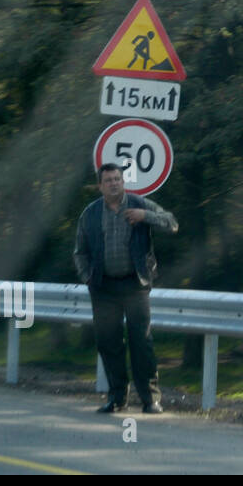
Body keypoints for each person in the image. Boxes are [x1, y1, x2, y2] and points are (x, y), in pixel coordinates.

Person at [73, 163, 178, 414]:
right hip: (103, 287)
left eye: (118, 179)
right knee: (108, 343)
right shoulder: (90, 213)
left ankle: (150, 400)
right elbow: (80, 252)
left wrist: (146, 217)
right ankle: (117, 398)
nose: (114, 183)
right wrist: (88, 277)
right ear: (100, 186)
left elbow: (172, 223)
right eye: (108, 180)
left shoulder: (140, 204)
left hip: (136, 284)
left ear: (124, 181)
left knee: (141, 342)